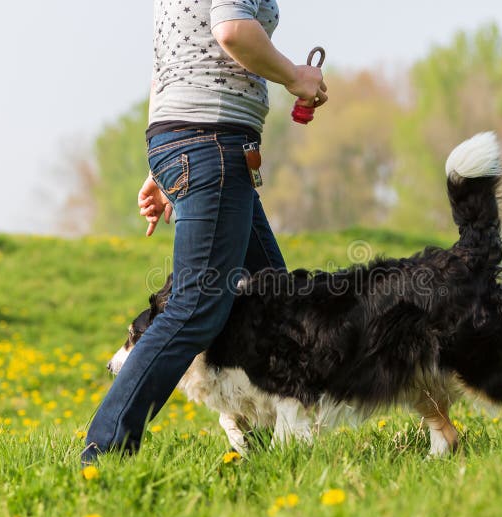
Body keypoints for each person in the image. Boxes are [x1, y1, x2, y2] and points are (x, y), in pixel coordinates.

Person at [82, 0, 327, 462]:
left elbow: (169, 62)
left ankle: (271, 450)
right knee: (196, 305)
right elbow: (232, 30)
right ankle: (104, 454)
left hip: (192, 138)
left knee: (273, 303)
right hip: (210, 140)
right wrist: (296, 76)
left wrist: (166, 161)